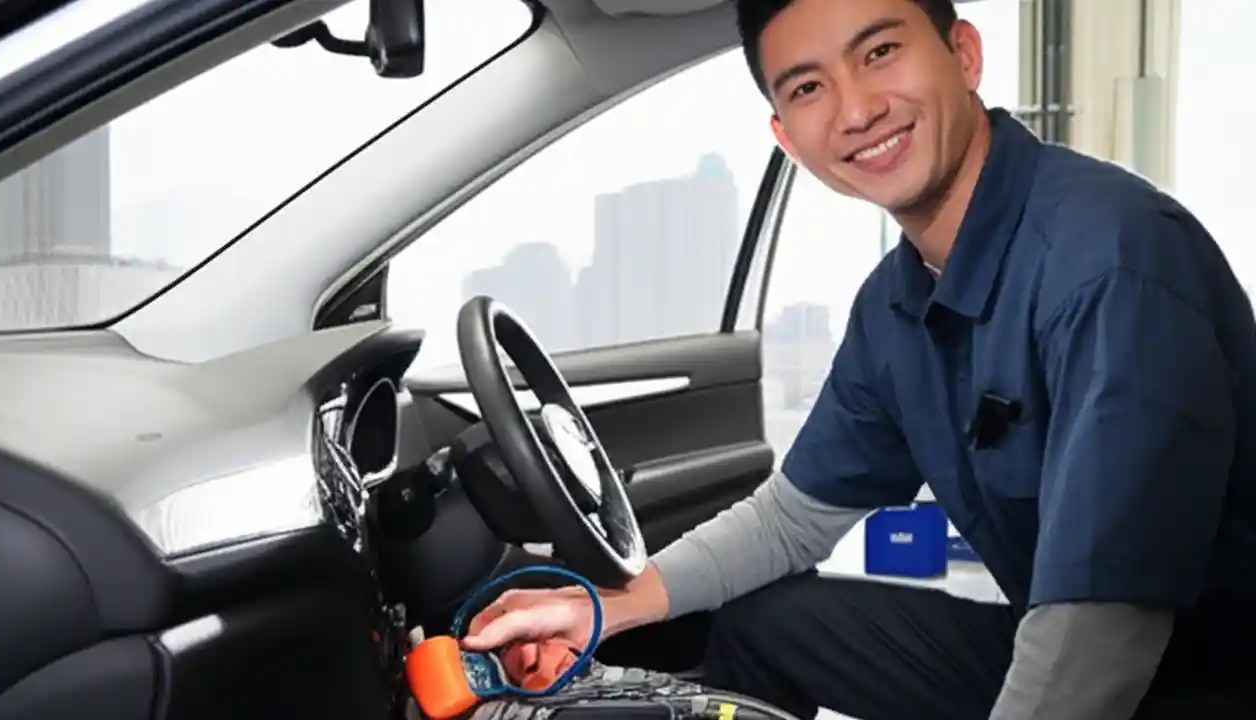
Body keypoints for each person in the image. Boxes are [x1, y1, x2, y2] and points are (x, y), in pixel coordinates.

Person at [461, 0, 1256, 717]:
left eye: (879, 53)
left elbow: (1101, 625)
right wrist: (606, 608)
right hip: (1072, 638)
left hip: (1211, 674)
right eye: (809, 88)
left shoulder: (1111, 260)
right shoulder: (896, 303)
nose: (857, 109)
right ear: (786, 135)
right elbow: (794, 519)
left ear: (965, 54)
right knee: (766, 624)